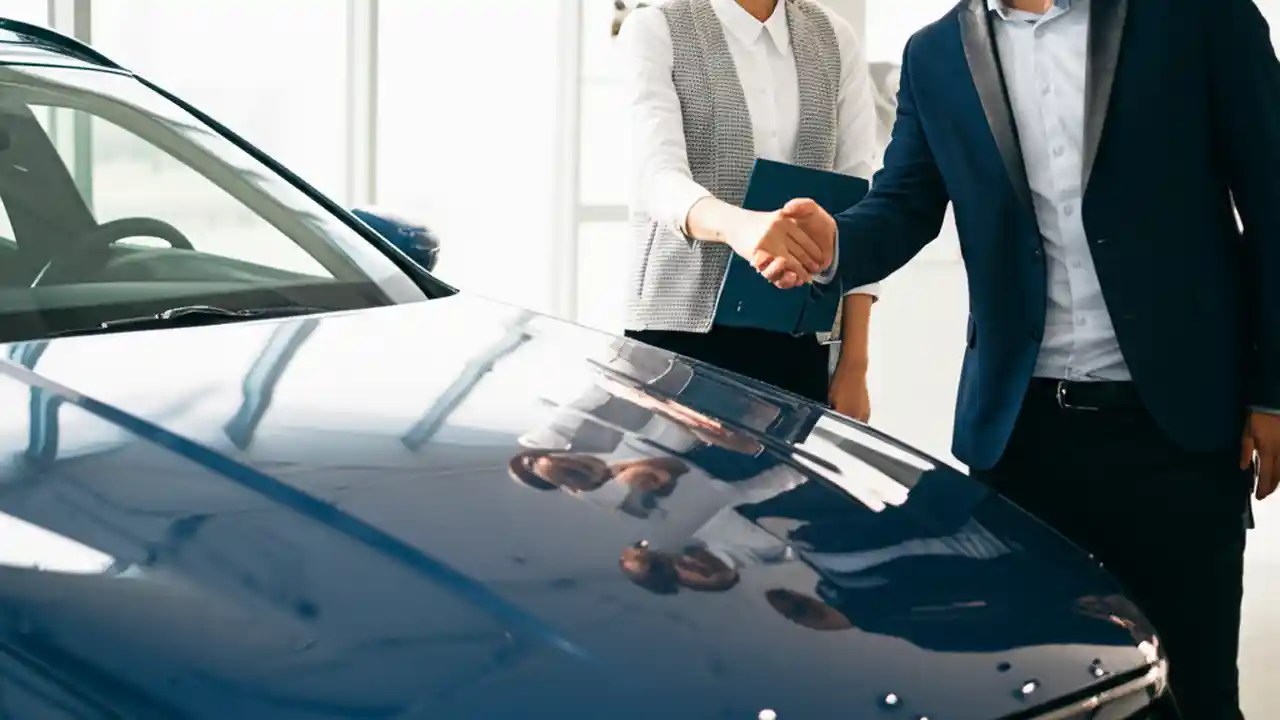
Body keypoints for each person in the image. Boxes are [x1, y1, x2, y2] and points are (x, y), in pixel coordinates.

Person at [778, 0, 1280, 716]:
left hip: (1177, 432)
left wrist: (1271, 390)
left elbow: (1271, 197)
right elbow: (906, 201)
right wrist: (835, 244)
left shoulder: (1198, 17)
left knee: (1191, 693)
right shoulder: (936, 54)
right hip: (1022, 444)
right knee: (1039, 690)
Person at [617, 0, 881, 417]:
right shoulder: (656, 27)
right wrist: (740, 227)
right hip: (679, 334)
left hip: (799, 337)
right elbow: (658, 177)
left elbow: (858, 201)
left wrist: (855, 361)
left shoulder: (834, 37)